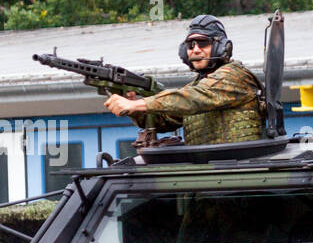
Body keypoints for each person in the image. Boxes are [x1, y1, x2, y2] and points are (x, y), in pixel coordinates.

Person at [103, 15, 264, 145]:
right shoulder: (194, 86)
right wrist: (134, 107)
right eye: (190, 45)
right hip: (208, 170)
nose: (195, 49)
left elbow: (194, 97)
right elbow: (163, 121)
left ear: (221, 47)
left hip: (238, 168)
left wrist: (138, 104)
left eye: (203, 43)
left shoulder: (236, 76)